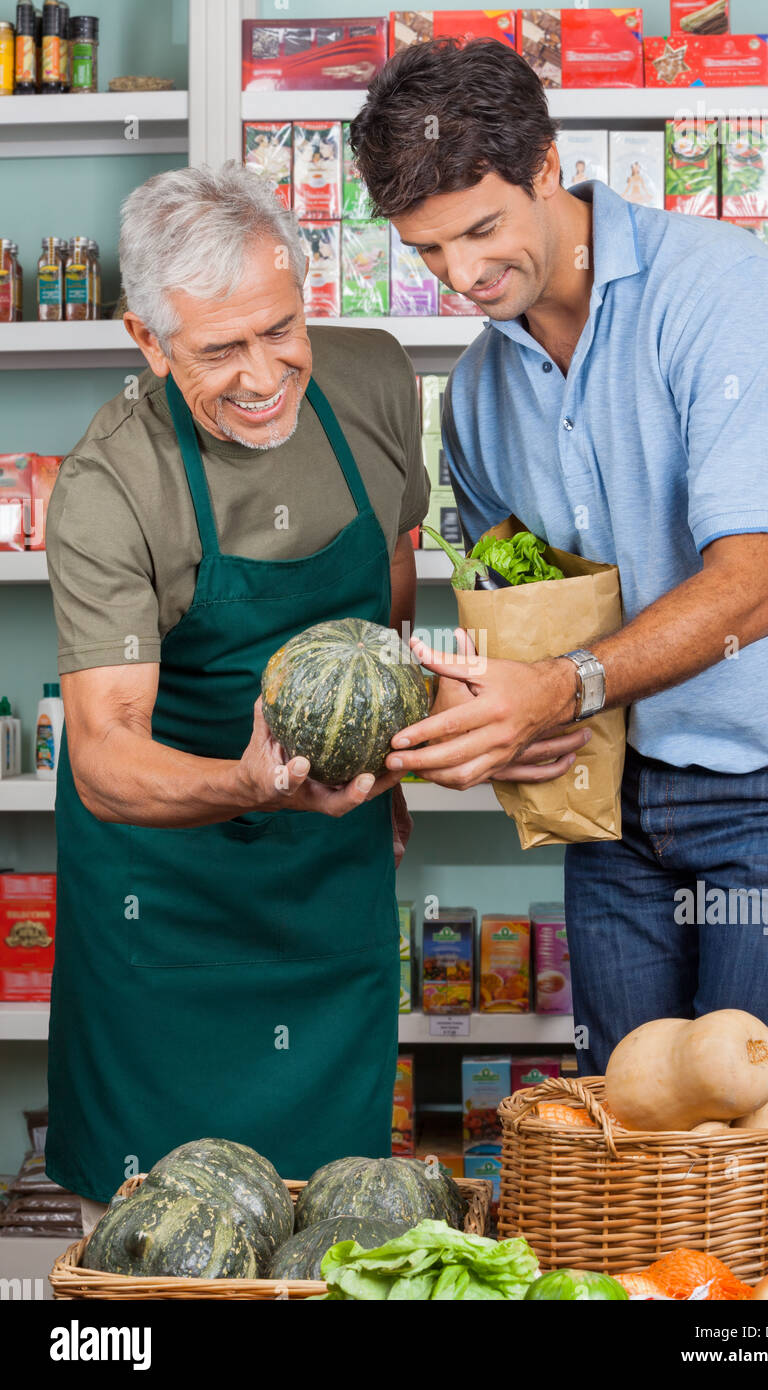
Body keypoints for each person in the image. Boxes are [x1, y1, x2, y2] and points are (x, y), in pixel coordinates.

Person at [350, 39, 768, 1080]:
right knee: (621, 1124)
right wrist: (498, 721)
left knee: (745, 1138)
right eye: (426, 252)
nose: (462, 276)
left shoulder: (725, 299)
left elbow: (749, 590)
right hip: (610, 794)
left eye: (480, 230)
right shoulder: (480, 396)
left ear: (547, 167)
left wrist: (555, 688)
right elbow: (513, 599)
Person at [43, 163, 432, 1232]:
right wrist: (248, 781)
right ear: (148, 341)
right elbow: (106, 751)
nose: (266, 375)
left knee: (340, 1225)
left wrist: (381, 728)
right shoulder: (111, 485)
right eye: (221, 349)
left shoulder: (371, 380)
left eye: (282, 328)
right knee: (160, 1233)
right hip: (166, 901)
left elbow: (392, 570)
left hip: (327, 883)